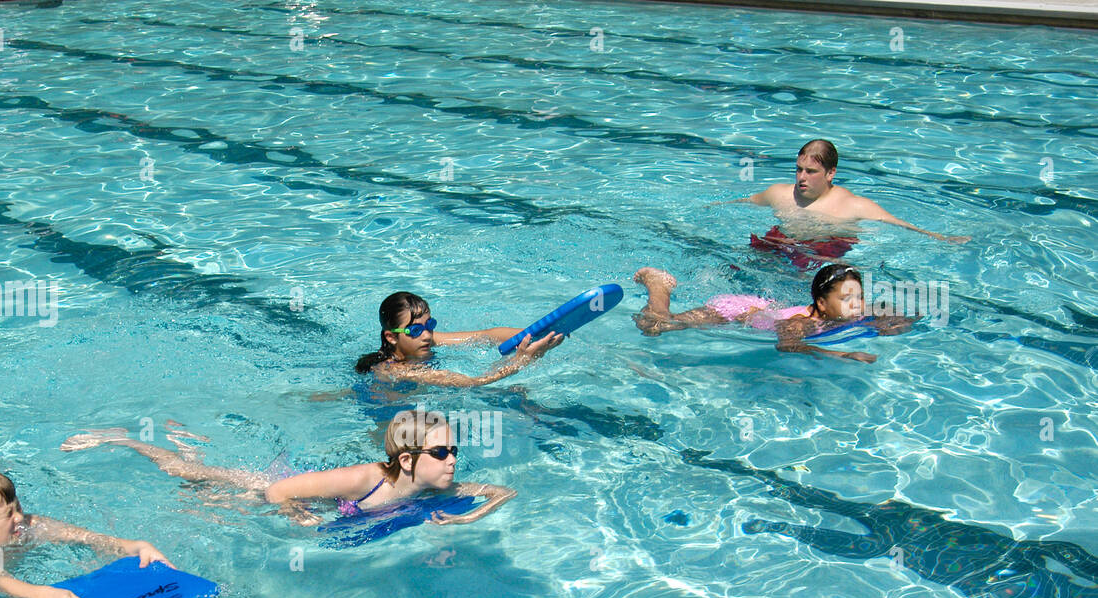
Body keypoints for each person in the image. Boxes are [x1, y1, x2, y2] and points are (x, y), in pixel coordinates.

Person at [61, 410, 515, 526]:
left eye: (454, 449)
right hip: (275, 486)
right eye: (441, 453)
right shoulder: (366, 477)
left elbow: (503, 492)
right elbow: (280, 493)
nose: (453, 459)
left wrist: (469, 516)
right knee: (186, 480)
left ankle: (188, 443)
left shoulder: (432, 489)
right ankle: (121, 437)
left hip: (307, 495)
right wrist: (293, 513)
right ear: (407, 460)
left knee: (199, 495)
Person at [0, 467, 171, 598]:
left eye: (18, 507)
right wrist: (42, 594)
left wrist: (136, 546)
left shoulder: (28, 524)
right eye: (8, 514)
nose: (19, 518)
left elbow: (86, 538)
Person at [631, 262, 914, 364]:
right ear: (822, 303)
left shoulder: (850, 313)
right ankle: (658, 284)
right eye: (846, 298)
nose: (856, 304)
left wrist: (893, 323)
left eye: (860, 296)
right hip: (735, 312)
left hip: (761, 307)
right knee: (654, 326)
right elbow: (788, 346)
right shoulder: (800, 323)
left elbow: (900, 317)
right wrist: (842, 355)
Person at [744, 139, 969, 259]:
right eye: (799, 169)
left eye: (811, 171)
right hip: (780, 246)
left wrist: (941, 238)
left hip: (821, 255)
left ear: (830, 173)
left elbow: (898, 224)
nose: (802, 177)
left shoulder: (853, 205)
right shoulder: (779, 194)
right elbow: (739, 203)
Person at [354, 291, 564, 387]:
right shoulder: (393, 370)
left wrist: (537, 333)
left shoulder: (427, 340)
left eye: (430, 325)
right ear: (391, 337)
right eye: (416, 330)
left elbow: (485, 335)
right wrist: (521, 361)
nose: (427, 334)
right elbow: (473, 382)